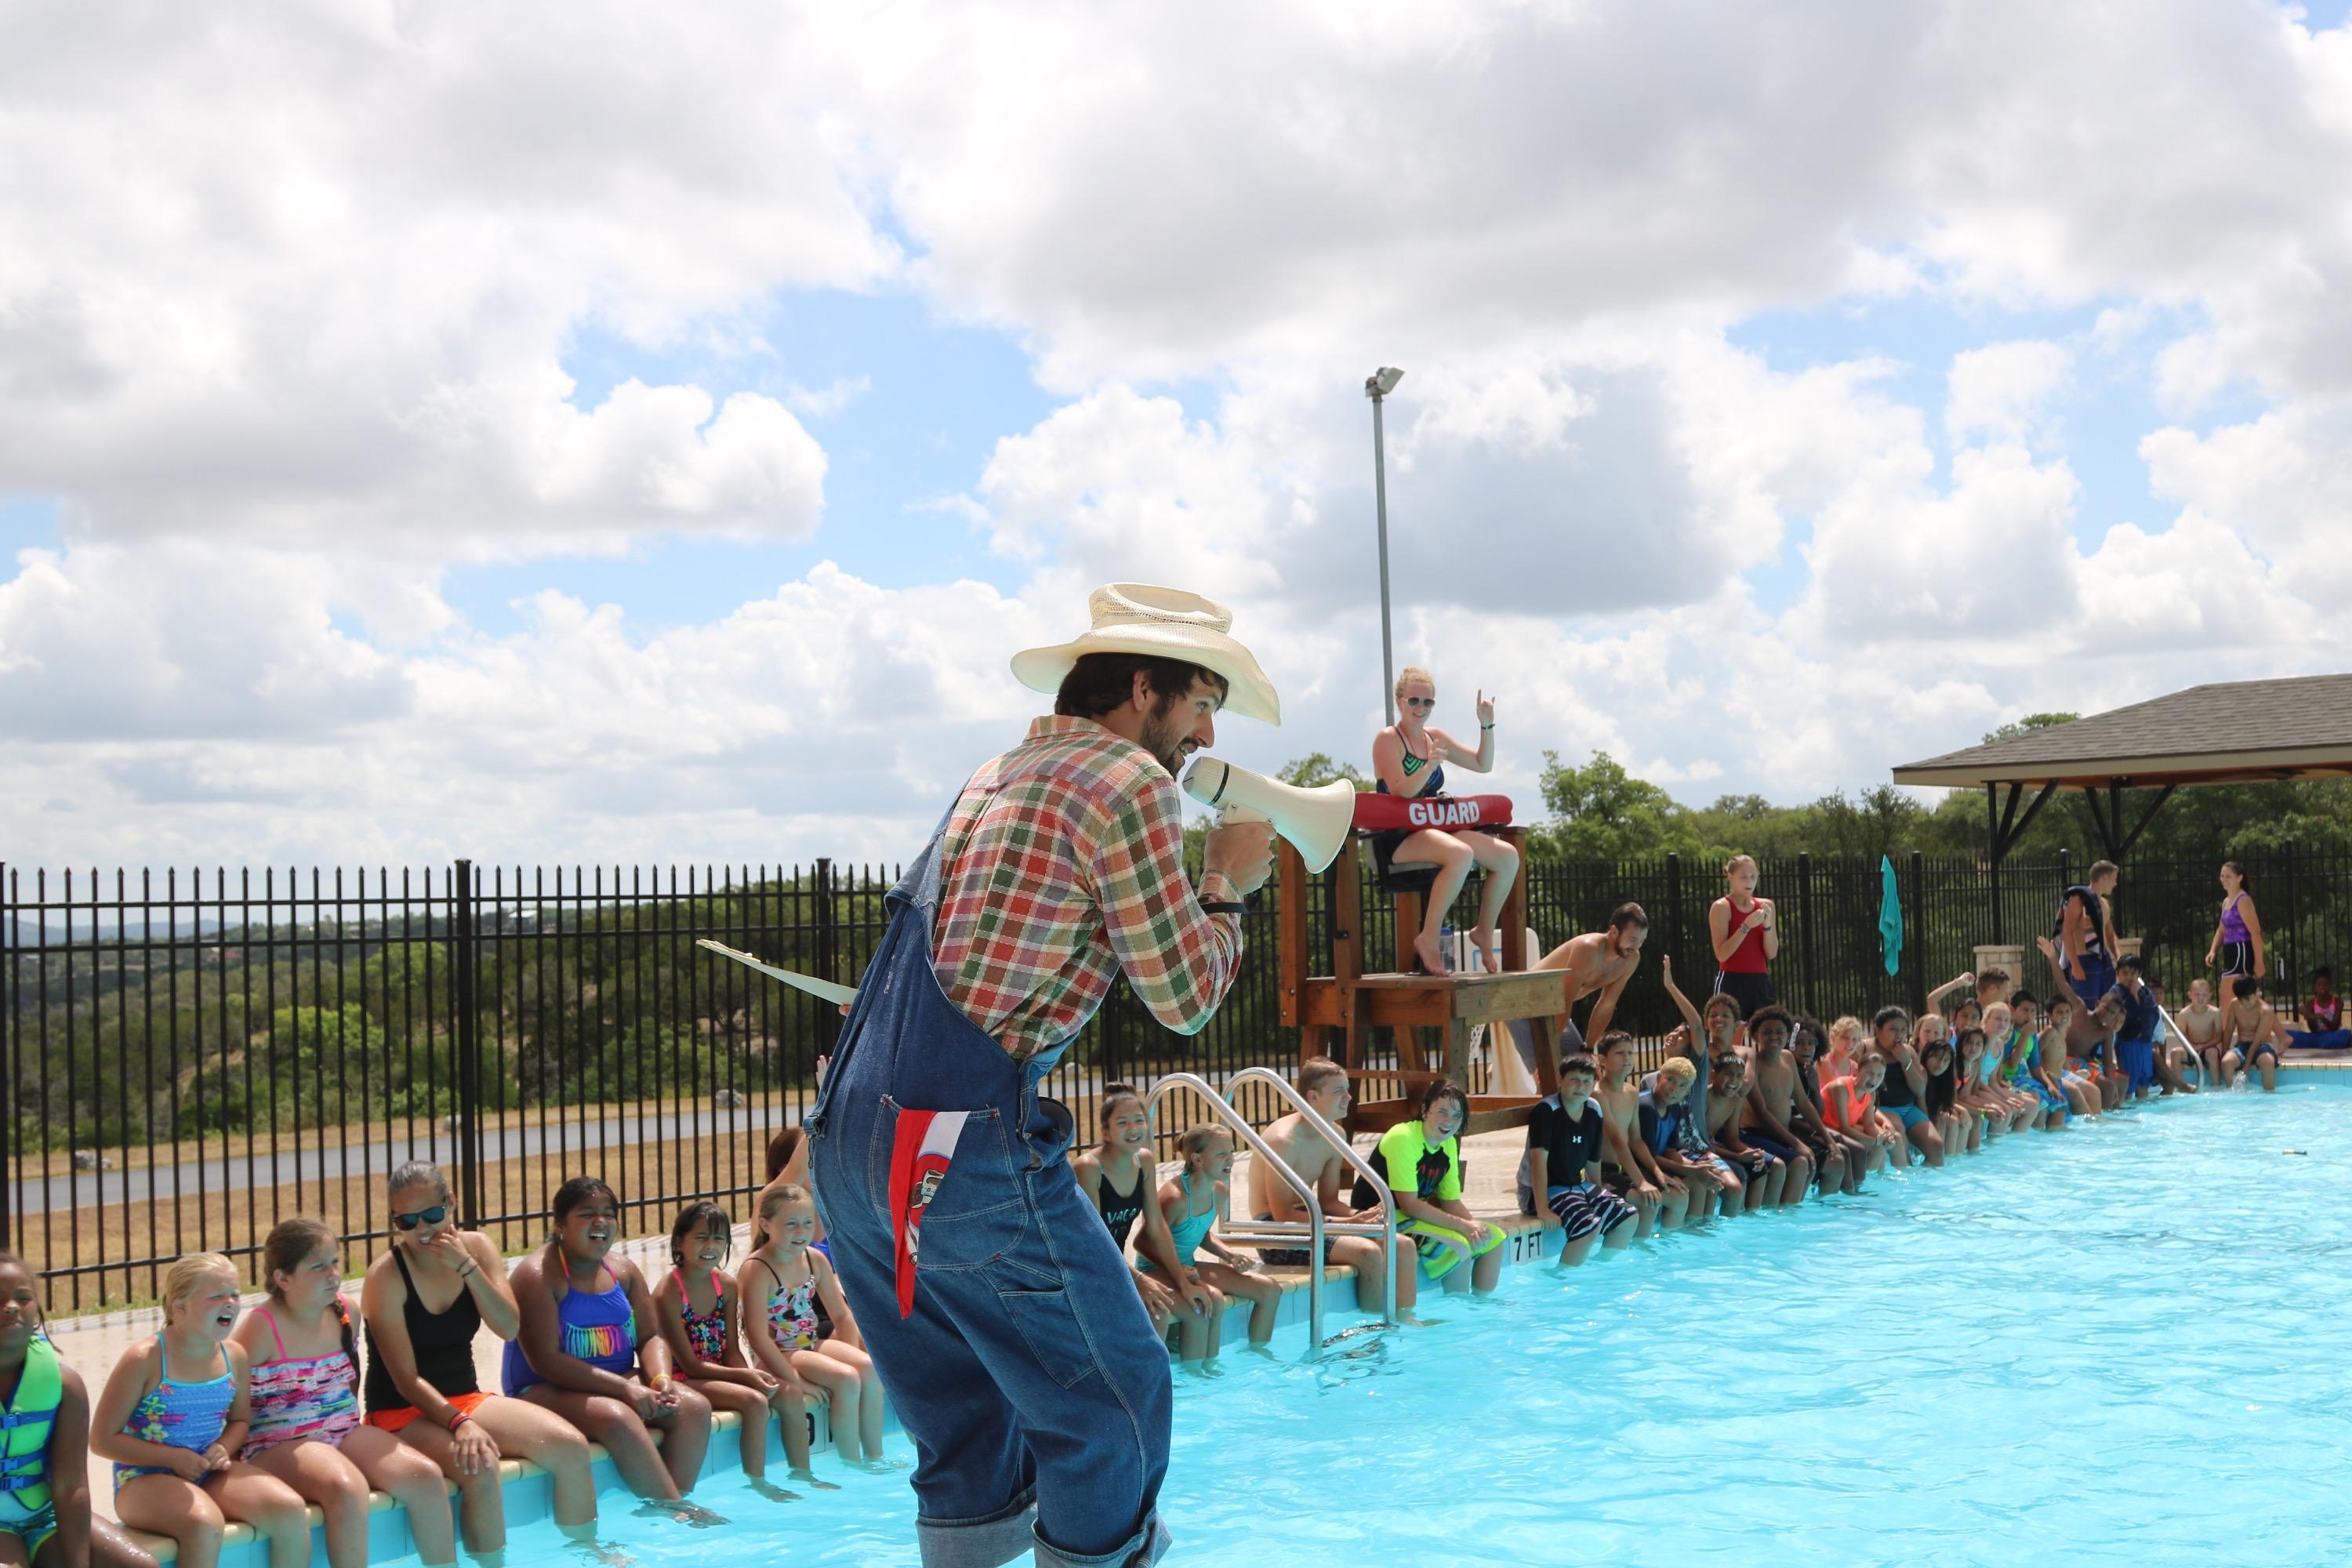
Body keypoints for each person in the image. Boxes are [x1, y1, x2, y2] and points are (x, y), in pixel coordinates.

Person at [806, 584, 1278, 1568]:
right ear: (1143, 687)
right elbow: (1186, 998)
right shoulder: (1127, 781)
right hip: (961, 1139)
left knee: (970, 1425)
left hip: (853, 1143)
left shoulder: (996, 770)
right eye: (1201, 702)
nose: (1206, 731)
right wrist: (1228, 880)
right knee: (1117, 1402)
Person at [361, 1161, 600, 1559]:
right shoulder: (385, 1276)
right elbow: (404, 1379)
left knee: (571, 1447)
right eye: (408, 1221)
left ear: (450, 1204)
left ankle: (587, 1556)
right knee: (481, 1467)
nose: (422, 1230)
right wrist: (460, 1424)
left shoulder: (477, 1249)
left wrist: (467, 1268)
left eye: (433, 1216)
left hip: (465, 1399)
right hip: (402, 1411)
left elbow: (508, 1327)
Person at [231, 1220, 456, 1568]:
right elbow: (232, 1402)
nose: (333, 1273)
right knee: (347, 1488)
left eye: (334, 1262)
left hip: (342, 1429)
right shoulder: (261, 1327)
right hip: (277, 1443)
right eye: (318, 1266)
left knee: (424, 1476)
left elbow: (349, 1380)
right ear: (283, 1279)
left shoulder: (344, 1310)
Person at [504, 1177, 716, 1513]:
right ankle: (674, 1509)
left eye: (607, 1214)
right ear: (560, 1225)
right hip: (542, 1388)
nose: (600, 1221)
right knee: (618, 1417)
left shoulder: (623, 1270)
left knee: (692, 1408)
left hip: (615, 1381)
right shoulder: (537, 1275)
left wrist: (661, 1380)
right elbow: (546, 1361)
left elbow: (651, 1337)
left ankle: (669, 1504)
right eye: (587, 1214)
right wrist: (625, 1390)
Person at [90, 1255, 309, 1568]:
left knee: (289, 1509)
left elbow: (240, 1420)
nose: (231, 1303)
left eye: (234, 1293)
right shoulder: (146, 1359)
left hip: (209, 1470)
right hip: (143, 1479)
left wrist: (224, 1448)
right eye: (216, 1296)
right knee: (204, 1524)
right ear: (180, 1307)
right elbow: (102, 1440)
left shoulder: (234, 1355)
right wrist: (172, 1457)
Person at [1370, 666, 1517, 975]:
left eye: (1428, 703)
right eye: (1413, 701)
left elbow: (1482, 764)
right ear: (1399, 702)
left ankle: (1484, 932)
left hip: (1434, 827)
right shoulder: (1388, 739)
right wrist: (1428, 767)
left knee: (1506, 856)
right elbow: (1400, 790)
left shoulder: (1434, 738)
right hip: (1398, 836)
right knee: (1460, 854)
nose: (1420, 709)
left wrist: (1487, 726)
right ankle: (1429, 937)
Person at [1247, 1058, 1417, 1315]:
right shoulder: (1284, 1141)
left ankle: (1405, 1319)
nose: (1349, 1097)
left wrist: (1360, 1217)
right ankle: (1374, 1333)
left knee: (1404, 1246)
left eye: (1347, 1089)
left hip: (1313, 1220)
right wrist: (1346, 1225)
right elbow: (1282, 1214)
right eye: (1339, 1091)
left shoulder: (1334, 1134)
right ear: (1313, 1097)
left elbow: (1329, 1201)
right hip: (1276, 1233)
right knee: (1368, 1253)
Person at [653, 1202, 798, 1492]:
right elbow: (689, 1364)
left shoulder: (726, 1286)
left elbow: (731, 1348)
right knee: (754, 1402)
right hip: (685, 1378)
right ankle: (757, 1481)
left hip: (717, 1374)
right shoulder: (668, 1291)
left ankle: (798, 1470)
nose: (711, 1246)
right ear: (680, 1242)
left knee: (779, 1393)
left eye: (719, 1239)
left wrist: (750, 1375)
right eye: (701, 1237)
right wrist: (745, 1379)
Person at [740, 1185, 887, 1469]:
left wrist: (844, 1354)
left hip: (809, 1343)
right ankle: (851, 1463)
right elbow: (758, 1338)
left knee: (868, 1368)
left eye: (808, 1222)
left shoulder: (814, 1259)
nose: (801, 1231)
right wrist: (796, 1380)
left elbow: (842, 1317)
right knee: (846, 1379)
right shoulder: (757, 1269)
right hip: (779, 1353)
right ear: (765, 1224)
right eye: (791, 1224)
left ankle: (874, 1456)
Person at [1137, 1127, 1282, 1358]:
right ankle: (1201, 1367)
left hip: (1189, 1266)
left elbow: (1201, 1234)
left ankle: (1259, 1356)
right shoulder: (1175, 1198)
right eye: (1221, 1154)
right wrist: (1178, 1273)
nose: (1231, 1159)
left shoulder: (1219, 1192)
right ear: (1197, 1159)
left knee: (1270, 1289)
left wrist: (1229, 1255)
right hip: (1157, 1268)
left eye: (1232, 1152)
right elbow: (1143, 1243)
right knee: (1210, 1299)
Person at [1351, 1082, 1505, 1294]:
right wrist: (1463, 1227)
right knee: (1458, 1247)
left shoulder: (1448, 1144)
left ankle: (1481, 1306)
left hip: (1410, 1217)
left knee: (1494, 1239)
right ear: (1424, 1111)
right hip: (1380, 1217)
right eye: (1442, 1112)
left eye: (1456, 1116)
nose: (1448, 1121)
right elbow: (1410, 1206)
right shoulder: (1403, 1137)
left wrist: (1475, 1229)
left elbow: (1451, 1203)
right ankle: (1459, 1312)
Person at [1073, 1083, 1181, 1335]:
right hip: (1085, 1269)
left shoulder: (1144, 1160)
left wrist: (1182, 1280)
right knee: (1151, 1315)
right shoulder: (1088, 1167)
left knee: (1163, 1310)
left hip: (1116, 1267)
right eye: (1122, 1123)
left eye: (1139, 1120)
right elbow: (1094, 1239)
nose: (1133, 1129)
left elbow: (1156, 1225)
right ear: (1106, 1132)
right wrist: (1137, 1279)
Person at [1517, 1051, 1640, 1262]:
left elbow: (1593, 1162)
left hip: (1576, 1186)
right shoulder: (1547, 1111)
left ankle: (1602, 1268)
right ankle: (1564, 1278)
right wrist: (1543, 1209)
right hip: (1540, 1192)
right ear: (1560, 1081)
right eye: (1574, 1080)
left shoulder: (1593, 1109)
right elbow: (1539, 1163)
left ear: (1594, 1084)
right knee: (1588, 1226)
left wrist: (1597, 1196)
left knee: (1628, 1217)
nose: (1580, 1086)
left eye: (1586, 1081)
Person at [1521, 904, 1652, 1078]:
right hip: (1524, 1007)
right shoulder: (1588, 949)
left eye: (1642, 941)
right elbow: (1565, 1001)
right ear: (1614, 931)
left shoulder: (1630, 959)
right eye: (1632, 939)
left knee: (1588, 1073)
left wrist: (1588, 1048)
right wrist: (1550, 1054)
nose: (1636, 947)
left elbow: (1607, 1004)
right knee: (1549, 1076)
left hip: (1554, 1011)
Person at [1593, 1032, 1687, 1235]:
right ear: (1602, 1060)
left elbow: (1636, 1141)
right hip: (1603, 1171)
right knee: (1649, 1202)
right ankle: (1641, 1256)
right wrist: (1642, 1182)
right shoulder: (1598, 1094)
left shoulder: (1631, 1092)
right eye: (1619, 1053)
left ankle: (1669, 1250)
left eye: (1629, 1052)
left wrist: (1657, 1173)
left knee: (1679, 1196)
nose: (1627, 1058)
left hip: (1626, 1169)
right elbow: (1618, 1141)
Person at [1638, 1056, 1737, 1222]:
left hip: (1659, 1163)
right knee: (1694, 1182)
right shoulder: (1646, 1106)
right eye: (1671, 1080)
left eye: (1683, 1085)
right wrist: (1689, 1170)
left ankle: (1698, 1226)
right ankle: (1680, 1231)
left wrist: (1695, 1166)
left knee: (1705, 1179)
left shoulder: (1676, 1106)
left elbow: (1670, 1150)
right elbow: (1649, 1156)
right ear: (1659, 1077)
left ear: (1687, 1091)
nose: (1675, 1088)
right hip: (1643, 1166)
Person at [1737, 1007, 1818, 1204]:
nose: (1774, 1036)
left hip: (1782, 1133)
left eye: (1780, 1032)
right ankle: (1780, 1216)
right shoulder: (1753, 1064)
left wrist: (1827, 1138)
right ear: (1755, 1035)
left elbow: (1803, 1101)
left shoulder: (1788, 1058)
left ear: (1788, 1034)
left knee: (1817, 1160)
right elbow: (1761, 1111)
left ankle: (1791, 1208)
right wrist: (1797, 1143)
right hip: (1755, 1134)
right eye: (1767, 1032)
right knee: (1799, 1163)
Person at [1788, 1015, 1869, 1193]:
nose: (1806, 1048)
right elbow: (1785, 1116)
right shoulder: (1787, 1069)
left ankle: (1857, 1193)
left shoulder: (1809, 1069)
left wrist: (1815, 1088)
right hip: (1795, 1129)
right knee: (1842, 1153)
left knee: (1859, 1150)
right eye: (1800, 1043)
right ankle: (1842, 1199)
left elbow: (1819, 1110)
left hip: (1811, 1126)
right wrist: (1822, 1134)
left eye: (1811, 1043)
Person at [1700, 1053, 1780, 1214]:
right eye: (1728, 1074)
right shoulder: (1704, 1099)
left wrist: (1750, 1153)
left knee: (1760, 1169)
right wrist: (1738, 1157)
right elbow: (1699, 1143)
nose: (1733, 1081)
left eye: (1739, 1076)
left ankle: (1750, 1219)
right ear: (1714, 1074)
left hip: (1712, 1150)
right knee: (1735, 1186)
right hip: (1699, 1152)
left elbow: (1732, 1139)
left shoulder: (1735, 1100)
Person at [1707, 855, 1777, 1021]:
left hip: (1760, 980)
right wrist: (1745, 927)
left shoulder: (1767, 906)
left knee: (1769, 1036)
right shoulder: (1721, 907)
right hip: (1732, 980)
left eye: (1753, 876)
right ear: (1730, 877)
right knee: (1729, 1041)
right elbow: (1722, 954)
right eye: (1743, 877)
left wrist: (1767, 925)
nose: (1749, 881)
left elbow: (1772, 953)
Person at [1875, 1008, 1942, 1168]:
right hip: (1881, 1108)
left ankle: (1933, 1185)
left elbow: (1919, 1089)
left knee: (1936, 1146)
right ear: (1878, 1030)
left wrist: (1906, 1062)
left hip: (1908, 1109)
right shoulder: (1865, 1049)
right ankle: (1910, 1180)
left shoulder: (1909, 1051)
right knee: (1898, 1129)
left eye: (1903, 1030)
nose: (1899, 1035)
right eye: (1893, 1029)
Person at [2056, 861, 2122, 1013]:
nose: (2116, 884)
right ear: (2104, 877)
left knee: (2110, 1007)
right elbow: (2067, 932)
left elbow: (2110, 934)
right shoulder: (2079, 900)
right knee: (2085, 1009)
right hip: (2084, 961)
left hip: (2103, 960)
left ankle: (2106, 1037)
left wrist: (2119, 957)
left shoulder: (2104, 903)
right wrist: (2075, 964)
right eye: (2114, 879)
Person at [1818, 1054, 1892, 1179]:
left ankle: (1870, 1181)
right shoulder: (1841, 1087)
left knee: (1880, 1148)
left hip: (1841, 1129)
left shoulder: (1871, 1093)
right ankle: (1861, 1183)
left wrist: (1884, 1139)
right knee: (1872, 1147)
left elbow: (1869, 1125)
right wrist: (1874, 1141)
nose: (1874, 1079)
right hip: (1823, 1128)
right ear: (1857, 1070)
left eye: (1880, 1075)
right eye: (1870, 1073)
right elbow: (1844, 1127)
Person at [2205, 860, 2266, 1014]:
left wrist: (2259, 962)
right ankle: (2264, 1032)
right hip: (2230, 951)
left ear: (2240, 878)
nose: (2224, 879)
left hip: (2242, 950)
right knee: (2244, 997)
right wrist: (2213, 951)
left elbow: (2256, 932)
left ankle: (2226, 1036)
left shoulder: (2243, 900)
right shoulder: (2226, 902)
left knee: (2227, 994)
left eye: (2228, 876)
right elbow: (2221, 930)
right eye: (2222, 876)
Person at [2105, 956, 2163, 1102]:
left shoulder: (2145, 993)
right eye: (2125, 973)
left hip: (2143, 1042)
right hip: (2127, 1042)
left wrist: (2137, 995)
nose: (2129, 977)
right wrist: (2133, 997)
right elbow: (2121, 1015)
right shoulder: (2115, 992)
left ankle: (2144, 1108)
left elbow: (2152, 1013)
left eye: (2133, 973)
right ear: (2118, 974)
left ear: (2140, 974)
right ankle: (2128, 1107)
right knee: (2130, 1079)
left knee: (2144, 1079)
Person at [2223, 977, 2288, 1092]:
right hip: (2242, 1046)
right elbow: (2228, 1031)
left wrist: (2246, 1067)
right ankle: (2233, 1094)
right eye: (2242, 1000)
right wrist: (2223, 1053)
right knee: (2226, 1062)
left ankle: (2269, 1094)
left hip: (2262, 1046)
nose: (2245, 1003)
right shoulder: (2234, 1005)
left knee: (2267, 1062)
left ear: (2256, 992)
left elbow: (2257, 1041)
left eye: (2248, 999)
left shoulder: (2265, 1010)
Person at [2288, 967, 2351, 1050]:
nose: (2322, 987)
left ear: (2330, 986)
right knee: (2287, 1034)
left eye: (2326, 984)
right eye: (2319, 985)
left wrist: (2321, 1017)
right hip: (2316, 1035)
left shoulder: (2338, 1002)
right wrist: (2308, 1016)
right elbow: (2313, 1029)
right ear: (2315, 987)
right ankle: (2322, 1043)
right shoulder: (2310, 1004)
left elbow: (2334, 1027)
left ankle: (2320, 1043)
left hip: (2333, 1034)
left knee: (2345, 1034)